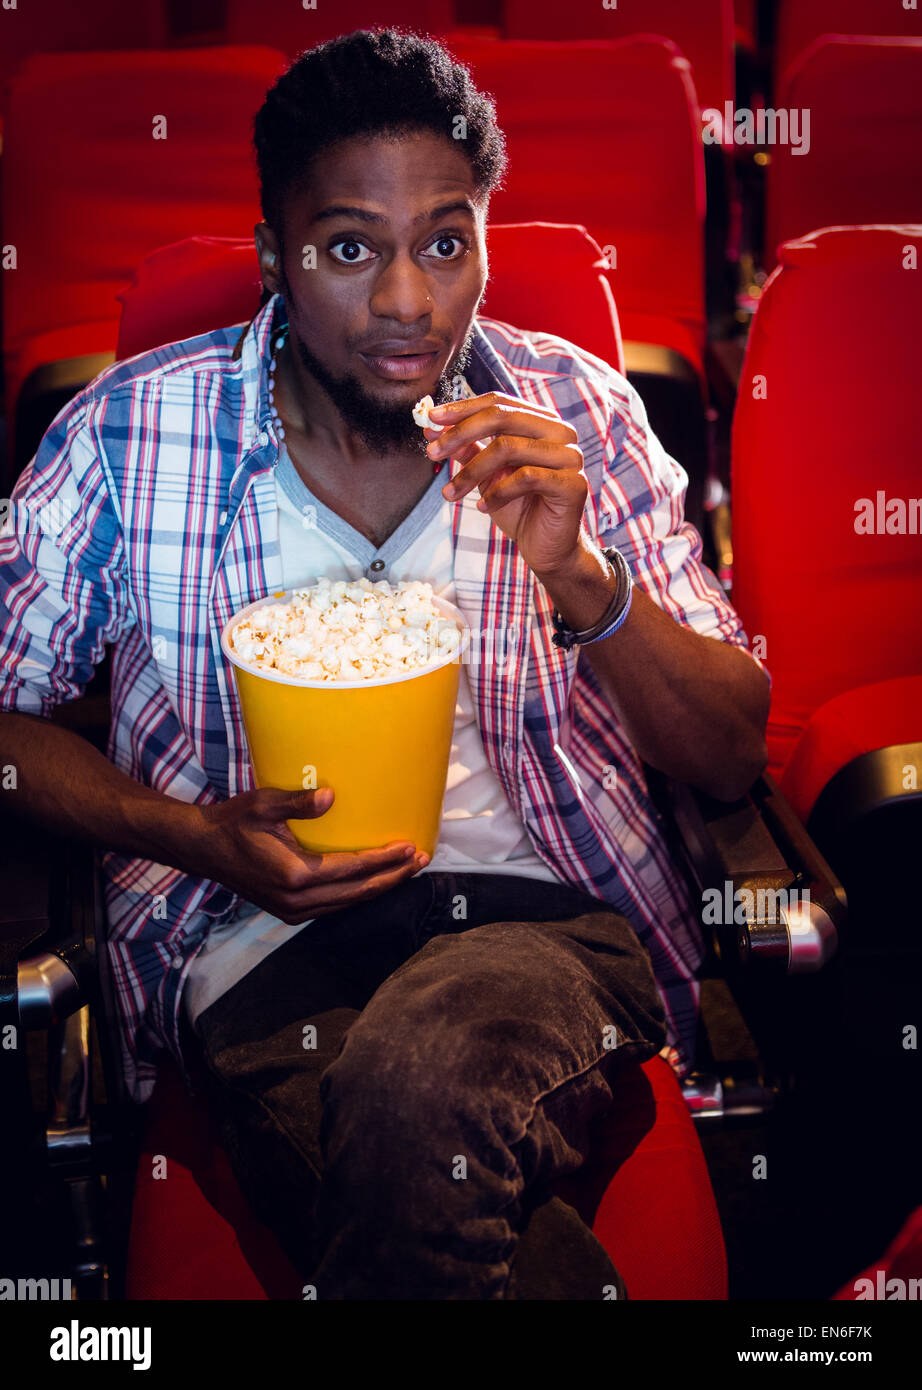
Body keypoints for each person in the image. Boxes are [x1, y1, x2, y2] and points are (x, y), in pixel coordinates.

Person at [0, 30, 770, 1298]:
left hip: (541, 921)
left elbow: (731, 748)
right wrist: (191, 832)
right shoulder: (133, 437)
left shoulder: (571, 412)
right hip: (253, 947)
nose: (408, 304)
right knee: (438, 1208)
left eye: (446, 241)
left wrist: (584, 576)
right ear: (272, 254)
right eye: (350, 247)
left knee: (419, 1090)